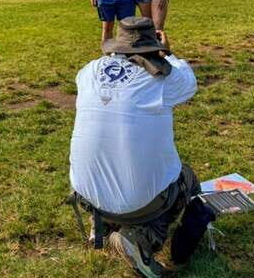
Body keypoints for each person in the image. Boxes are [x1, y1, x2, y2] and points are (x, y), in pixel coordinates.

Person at [69, 17, 209, 276]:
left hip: (85, 191)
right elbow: (189, 82)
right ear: (152, 45)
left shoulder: (88, 70)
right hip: (137, 202)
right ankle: (142, 239)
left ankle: (99, 223)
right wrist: (169, 53)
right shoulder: (161, 79)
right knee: (186, 180)